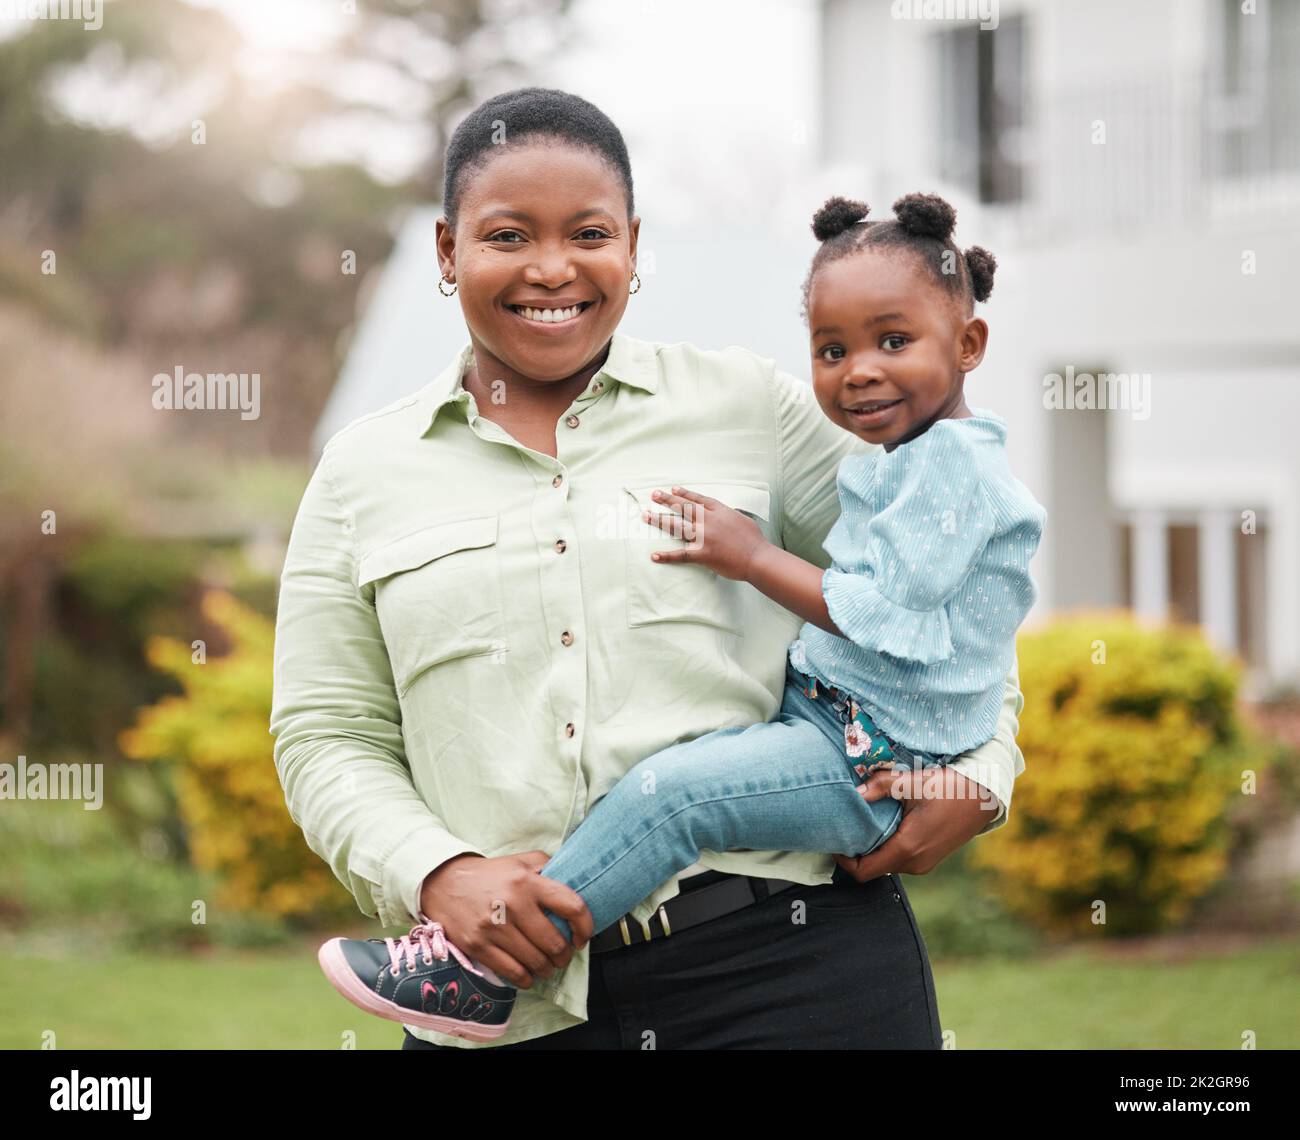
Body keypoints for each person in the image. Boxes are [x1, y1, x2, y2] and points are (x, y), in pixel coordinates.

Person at [272, 87, 1028, 1051]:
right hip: (513, 1005)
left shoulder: (755, 407)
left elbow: (943, 594)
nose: (554, 268)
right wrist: (436, 874)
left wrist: (980, 776)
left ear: (632, 244)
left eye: (588, 232)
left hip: (793, 969)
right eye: (508, 236)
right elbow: (325, 732)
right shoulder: (359, 472)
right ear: (447, 252)